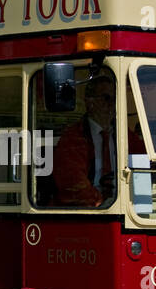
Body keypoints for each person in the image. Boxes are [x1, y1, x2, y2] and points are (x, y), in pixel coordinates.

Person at [49, 74, 143, 207]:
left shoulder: (125, 135)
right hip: (84, 213)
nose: (112, 105)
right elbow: (72, 182)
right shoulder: (74, 137)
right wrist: (103, 204)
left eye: (115, 99)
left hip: (120, 207)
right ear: (89, 102)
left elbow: (146, 160)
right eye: (106, 98)